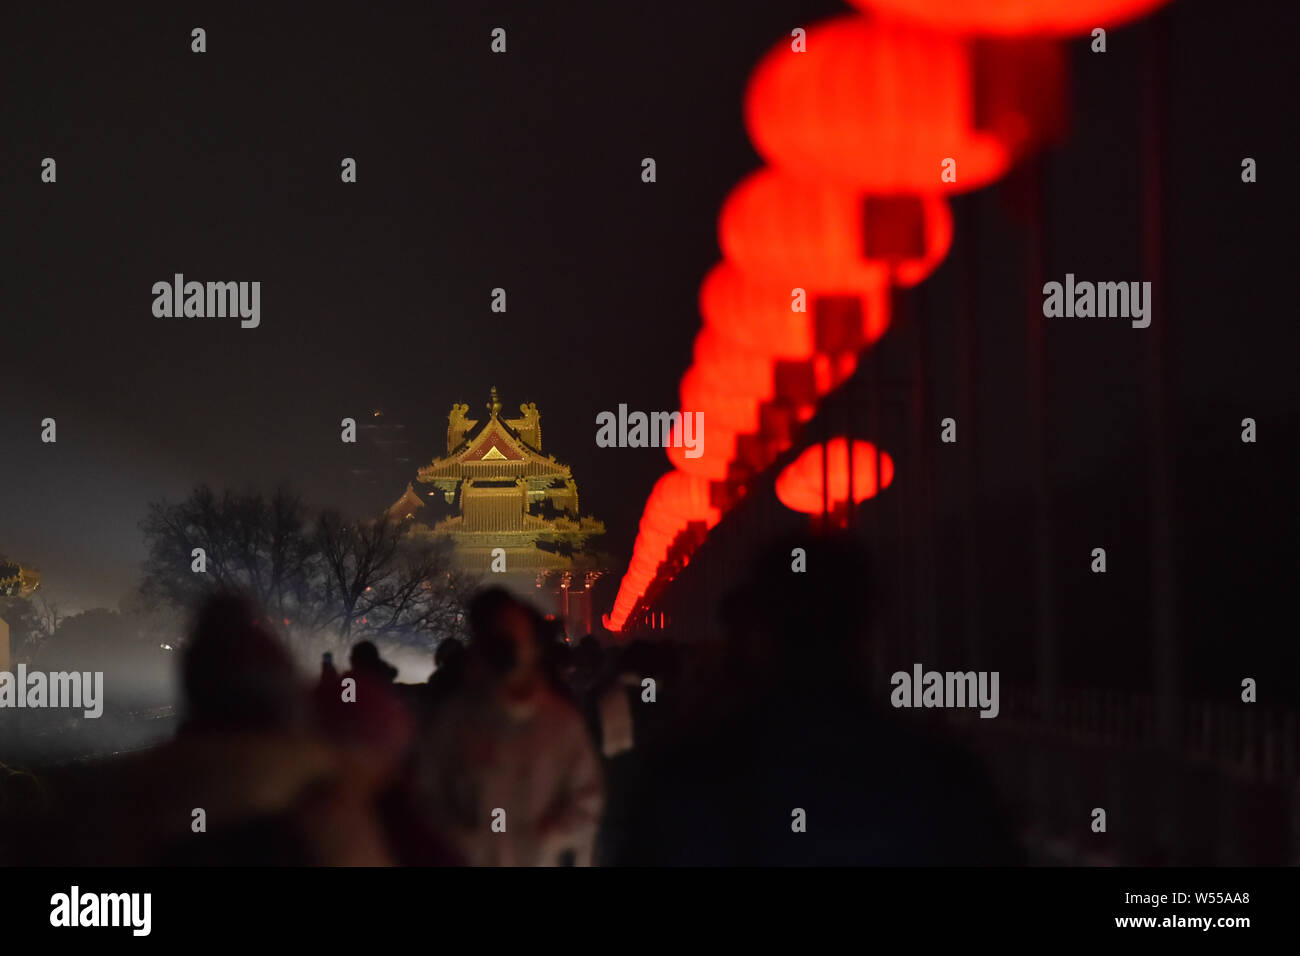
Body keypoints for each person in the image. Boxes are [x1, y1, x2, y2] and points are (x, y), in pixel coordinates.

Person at [413, 587, 604, 866]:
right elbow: (426, 795)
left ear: (534, 647)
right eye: (495, 637)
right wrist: (459, 836)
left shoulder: (561, 722)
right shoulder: (455, 717)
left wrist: (547, 836)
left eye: (511, 637)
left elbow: (587, 801)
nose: (503, 648)